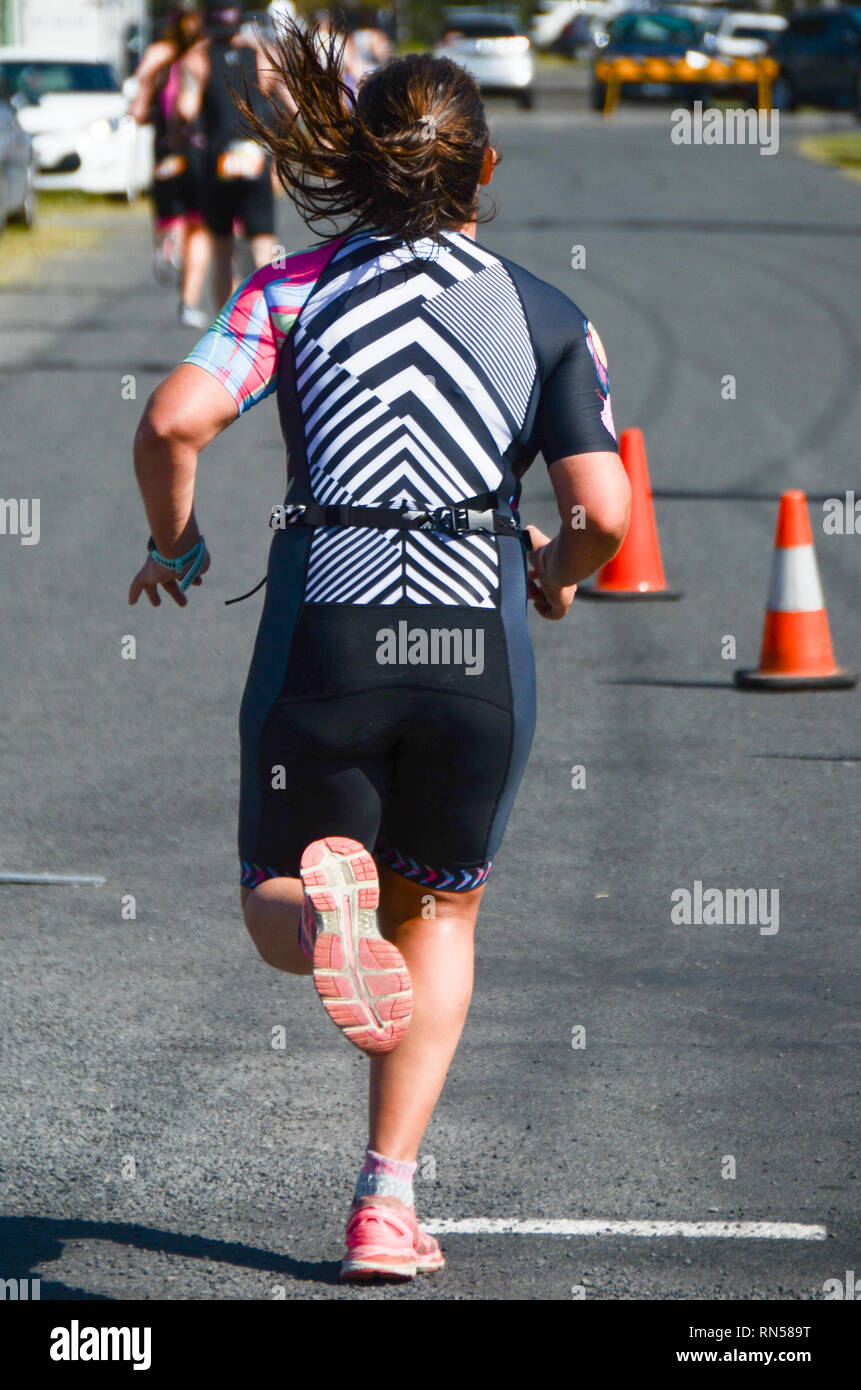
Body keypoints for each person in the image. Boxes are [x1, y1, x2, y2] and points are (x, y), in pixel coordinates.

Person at [129, 23, 630, 1282]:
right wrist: (556, 580)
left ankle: (319, 929)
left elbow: (173, 421)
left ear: (359, 156)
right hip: (475, 641)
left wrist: (178, 549)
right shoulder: (549, 311)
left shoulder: (294, 290)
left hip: (330, 623)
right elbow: (605, 515)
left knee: (273, 891)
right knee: (443, 909)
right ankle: (385, 1206)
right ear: (486, 167)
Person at [177, 1, 280, 312]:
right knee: (264, 244)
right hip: (254, 155)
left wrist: (181, 134)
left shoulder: (197, 58)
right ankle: (275, 317)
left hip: (219, 158)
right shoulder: (259, 53)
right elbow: (276, 97)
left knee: (223, 249)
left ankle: (227, 326)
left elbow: (186, 109)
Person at [129, 2, 212, 325]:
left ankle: (169, 246)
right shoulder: (206, 55)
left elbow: (137, 109)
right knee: (199, 225)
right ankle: (188, 300)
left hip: (169, 152)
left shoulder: (160, 55)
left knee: (177, 217)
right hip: (197, 151)